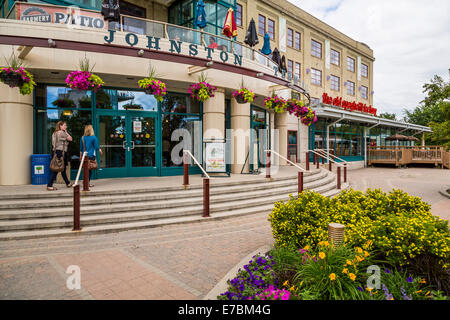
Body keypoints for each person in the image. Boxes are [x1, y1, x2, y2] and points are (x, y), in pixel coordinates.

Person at [47, 121, 73, 191]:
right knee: (57, 169)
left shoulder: (54, 133)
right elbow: (70, 139)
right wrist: (66, 132)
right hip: (60, 152)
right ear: (60, 126)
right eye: (64, 125)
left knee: (62, 169)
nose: (66, 127)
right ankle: (49, 185)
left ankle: (68, 183)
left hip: (55, 152)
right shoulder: (61, 133)